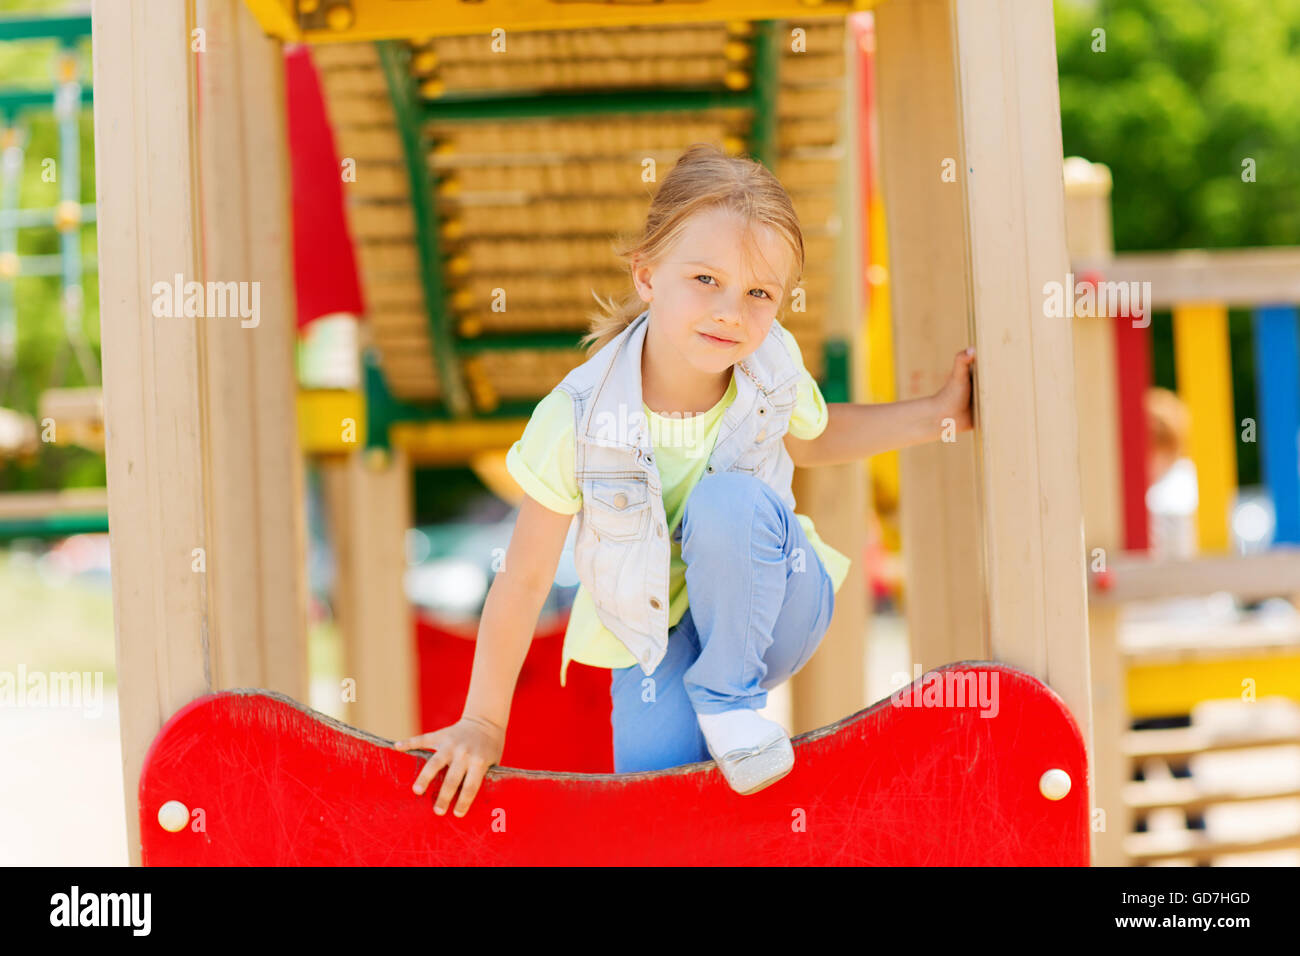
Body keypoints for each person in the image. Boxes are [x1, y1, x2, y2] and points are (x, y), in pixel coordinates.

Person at [395, 143, 975, 814]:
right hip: (655, 641)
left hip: (777, 600)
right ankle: (717, 712)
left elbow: (817, 438)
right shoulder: (579, 416)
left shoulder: (770, 366)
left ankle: (729, 699)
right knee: (659, 807)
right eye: (706, 280)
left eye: (759, 293)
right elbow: (524, 579)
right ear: (646, 275)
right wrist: (484, 724)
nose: (731, 310)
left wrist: (937, 416)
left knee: (726, 503)